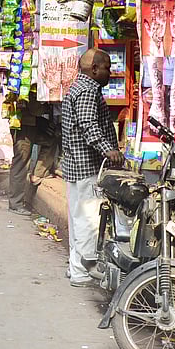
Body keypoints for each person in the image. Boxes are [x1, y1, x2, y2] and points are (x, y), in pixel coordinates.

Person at [61, 49, 122, 287]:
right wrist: (109, 150)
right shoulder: (88, 91)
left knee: (78, 219)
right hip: (86, 167)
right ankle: (82, 271)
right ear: (94, 69)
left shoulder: (77, 88)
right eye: (107, 67)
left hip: (74, 166)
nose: (110, 72)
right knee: (89, 220)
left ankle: (75, 266)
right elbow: (89, 127)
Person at [8, 101, 58, 217]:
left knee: (51, 139)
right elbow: (33, 107)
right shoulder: (26, 85)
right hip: (23, 124)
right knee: (21, 162)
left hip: (32, 123)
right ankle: (15, 204)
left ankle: (38, 173)